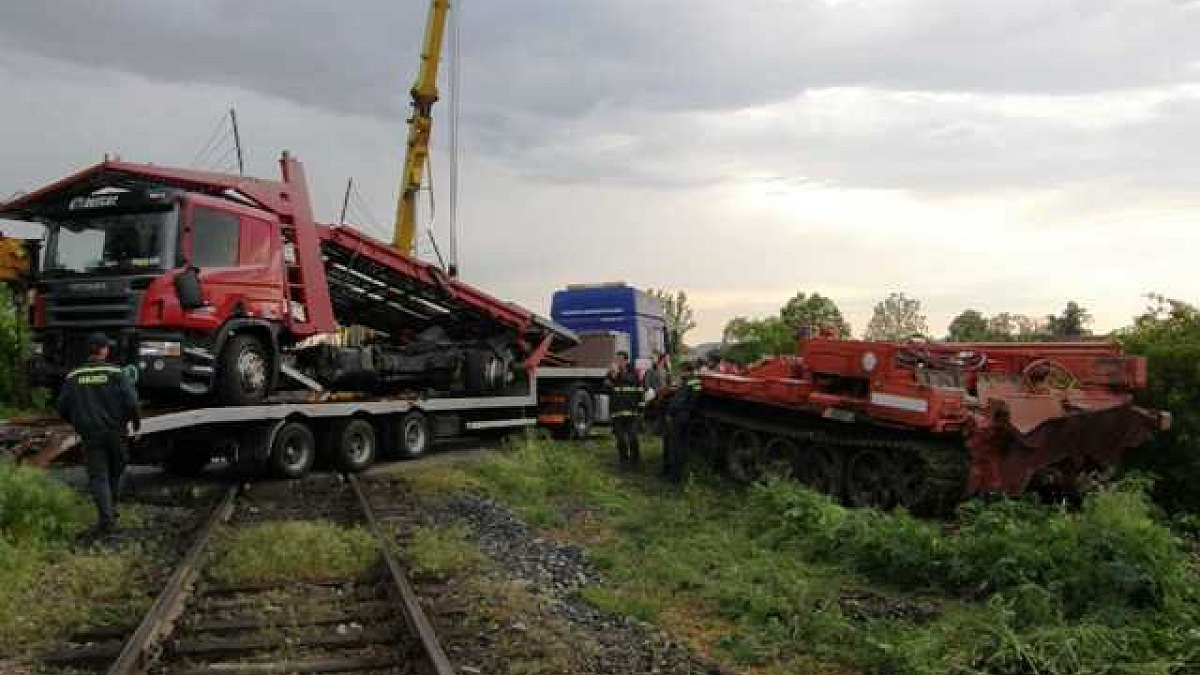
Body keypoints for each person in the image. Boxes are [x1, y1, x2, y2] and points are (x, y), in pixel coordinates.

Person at [56, 333, 140, 534]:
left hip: (90, 434)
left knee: (98, 476)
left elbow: (62, 408)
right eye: (107, 347)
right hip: (115, 432)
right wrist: (135, 423)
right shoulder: (116, 373)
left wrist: (78, 423)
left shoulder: (73, 376)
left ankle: (107, 518)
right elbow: (131, 402)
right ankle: (110, 515)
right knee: (116, 470)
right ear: (103, 350)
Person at [604, 350, 644, 469]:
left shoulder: (633, 374)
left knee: (633, 437)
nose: (618, 362)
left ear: (627, 361)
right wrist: (611, 378)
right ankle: (624, 461)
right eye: (617, 360)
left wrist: (641, 410)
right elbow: (606, 389)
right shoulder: (611, 374)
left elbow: (639, 391)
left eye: (621, 360)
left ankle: (635, 461)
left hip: (632, 413)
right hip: (617, 413)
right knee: (620, 439)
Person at [663, 361, 702, 481]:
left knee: (674, 445)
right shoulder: (696, 382)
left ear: (686, 371)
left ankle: (674, 475)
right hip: (687, 416)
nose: (680, 373)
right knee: (682, 445)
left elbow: (678, 400)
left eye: (681, 371)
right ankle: (679, 472)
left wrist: (669, 412)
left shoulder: (687, 382)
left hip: (679, 417)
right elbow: (694, 399)